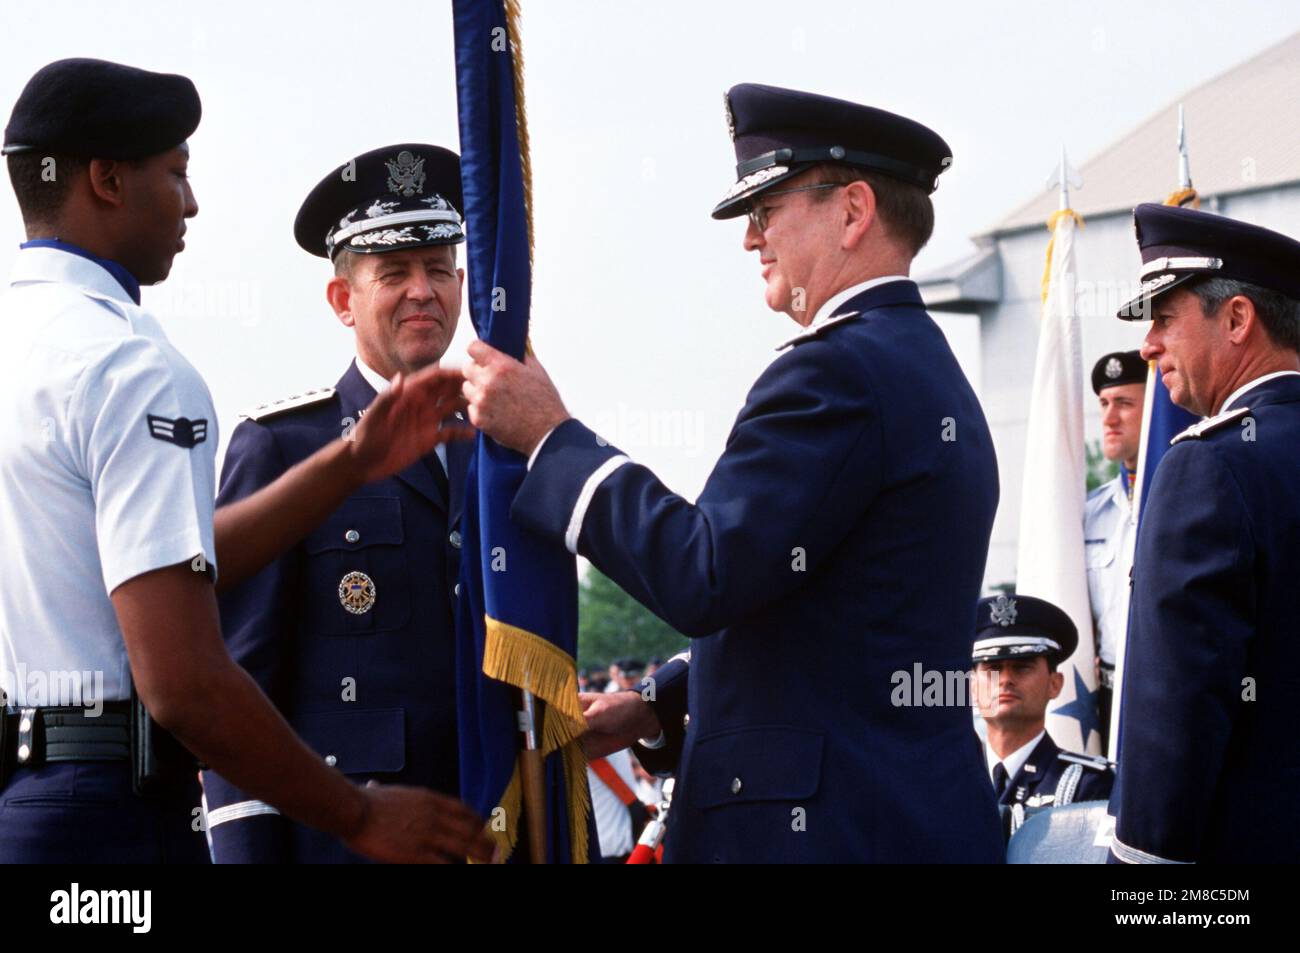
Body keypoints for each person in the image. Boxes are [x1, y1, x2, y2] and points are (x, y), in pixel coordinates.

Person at [462, 83, 1003, 862]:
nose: (751, 239)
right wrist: (655, 706)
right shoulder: (913, 364)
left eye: (767, 209)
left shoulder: (837, 373)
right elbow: (828, 615)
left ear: (853, 212)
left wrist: (550, 440)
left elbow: (705, 570)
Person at [0, 60, 492, 864]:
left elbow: (162, 568)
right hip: (113, 815)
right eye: (176, 173)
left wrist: (348, 463)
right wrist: (357, 813)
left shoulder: (21, 339)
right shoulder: (129, 366)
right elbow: (185, 681)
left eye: (439, 268)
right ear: (107, 181)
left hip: (36, 796)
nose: (190, 202)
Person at [200, 144, 477, 862]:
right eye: (394, 273)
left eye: (439, 267)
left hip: (491, 826)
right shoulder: (286, 447)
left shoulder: (500, 445)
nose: (423, 290)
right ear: (342, 300)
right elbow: (240, 677)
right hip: (347, 843)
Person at [1109, 203, 1300, 864]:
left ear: (1238, 318)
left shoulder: (1210, 465)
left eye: (1164, 316)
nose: (1148, 344)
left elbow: (1175, 724)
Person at [972, 594, 1114, 840]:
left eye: (1022, 667)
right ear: (972, 688)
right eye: (992, 669)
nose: (1005, 680)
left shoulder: (1090, 786)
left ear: (1054, 684)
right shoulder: (949, 782)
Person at [1084, 349, 1146, 752]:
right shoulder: (1091, 512)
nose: (1109, 418)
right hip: (1099, 696)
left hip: (1154, 692)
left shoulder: (1180, 500)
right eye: (1105, 404)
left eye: (1124, 403)